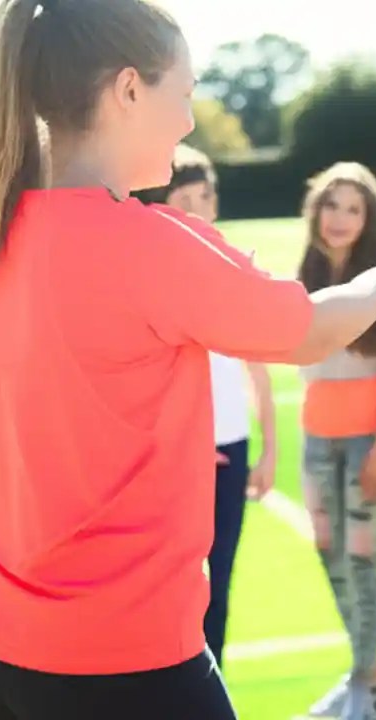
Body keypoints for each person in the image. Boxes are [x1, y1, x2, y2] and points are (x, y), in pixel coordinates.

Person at [0, 2, 376, 717]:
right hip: (115, 660)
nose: (191, 118)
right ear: (130, 89)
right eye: (187, 90)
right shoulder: (148, 245)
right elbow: (310, 329)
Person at [135, 143, 278, 671]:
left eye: (206, 197)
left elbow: (258, 365)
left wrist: (269, 450)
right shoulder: (150, 270)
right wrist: (185, 449)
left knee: (218, 585)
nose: (198, 208)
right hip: (175, 459)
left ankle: (207, 695)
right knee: (168, 594)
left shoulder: (233, 267)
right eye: (184, 197)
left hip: (229, 450)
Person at [296, 163, 376, 720]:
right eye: (331, 205)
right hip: (317, 441)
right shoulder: (302, 279)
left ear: (369, 220)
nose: (339, 219)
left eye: (353, 208)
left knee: (363, 562)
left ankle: (363, 685)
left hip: (371, 440)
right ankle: (372, 674)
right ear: (315, 211)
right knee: (329, 555)